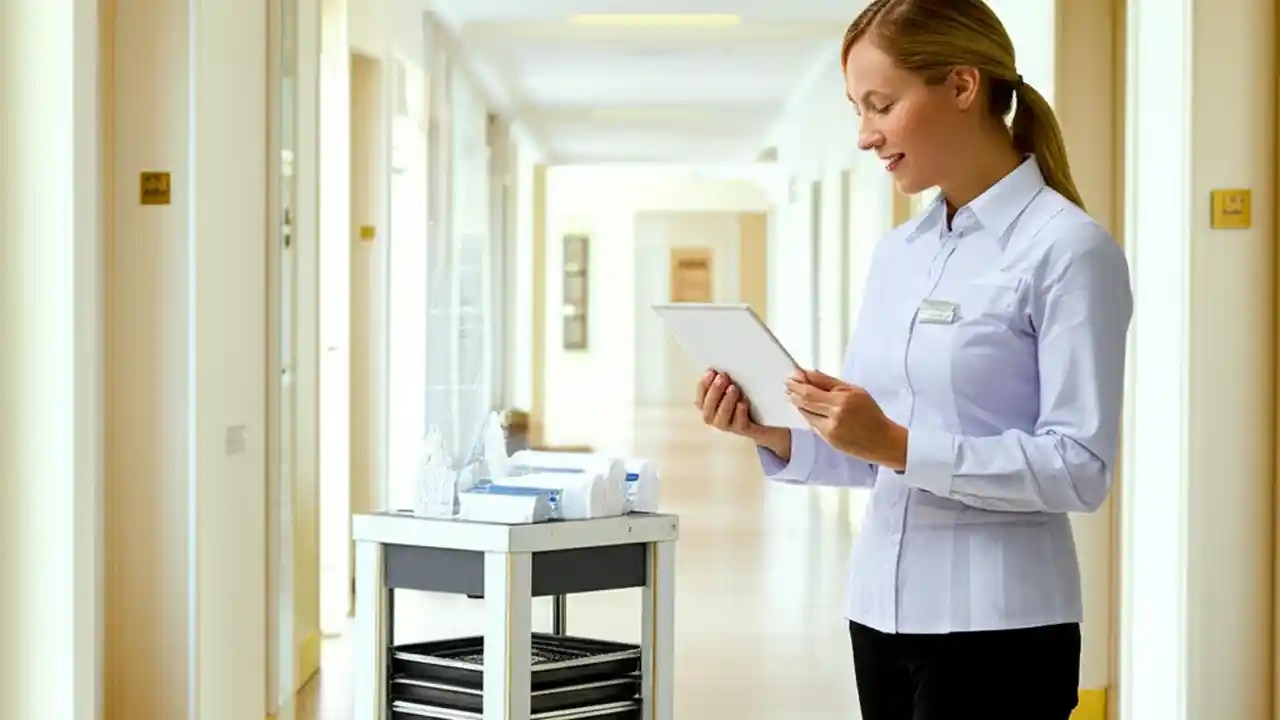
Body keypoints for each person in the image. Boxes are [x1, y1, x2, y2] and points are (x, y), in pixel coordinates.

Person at [694, 0, 1133, 718]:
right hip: (880, 613)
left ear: (961, 87)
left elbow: (1079, 468)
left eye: (880, 106)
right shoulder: (901, 253)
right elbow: (879, 452)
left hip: (1001, 626)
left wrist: (896, 443)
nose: (865, 136)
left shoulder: (1066, 250)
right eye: (857, 111)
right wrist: (774, 431)